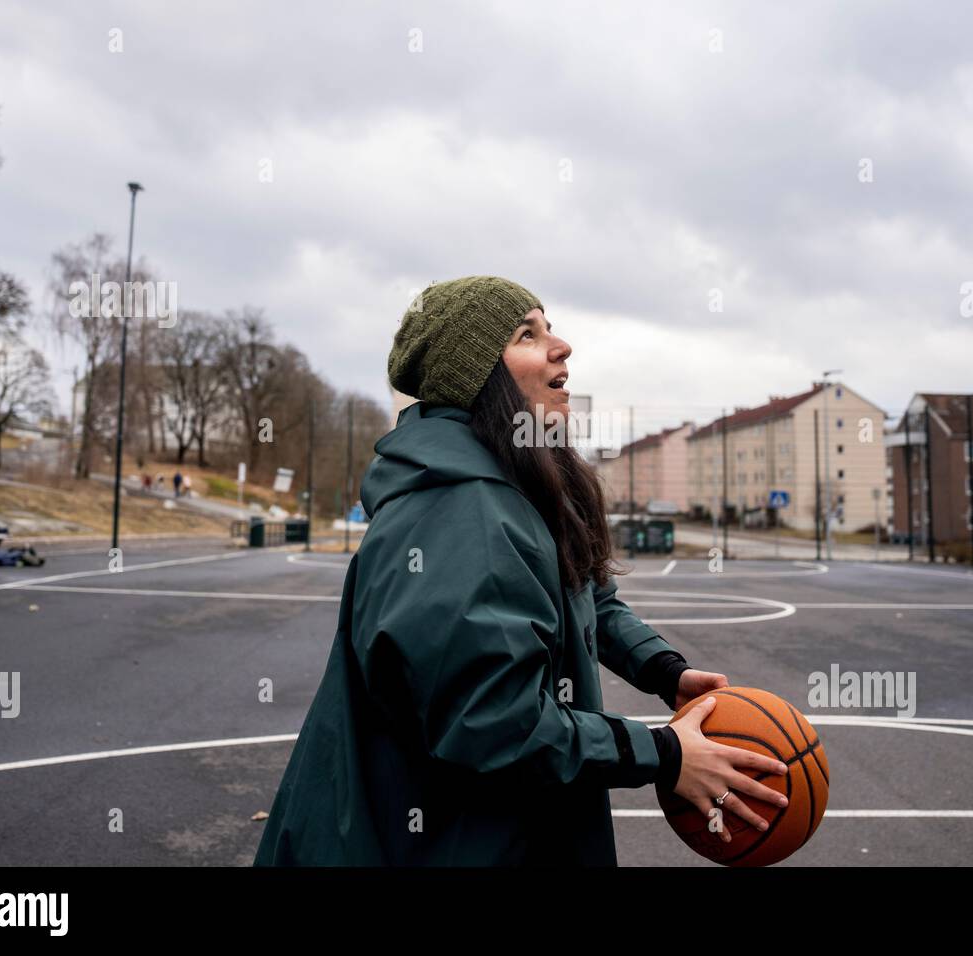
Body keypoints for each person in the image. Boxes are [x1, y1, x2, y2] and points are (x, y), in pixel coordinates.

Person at [254, 276, 788, 867]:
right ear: (476, 377)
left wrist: (663, 670)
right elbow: (491, 721)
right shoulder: (460, 511)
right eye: (526, 335)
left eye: (548, 327)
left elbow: (584, 593)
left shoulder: (512, 486)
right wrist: (662, 754)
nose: (561, 346)